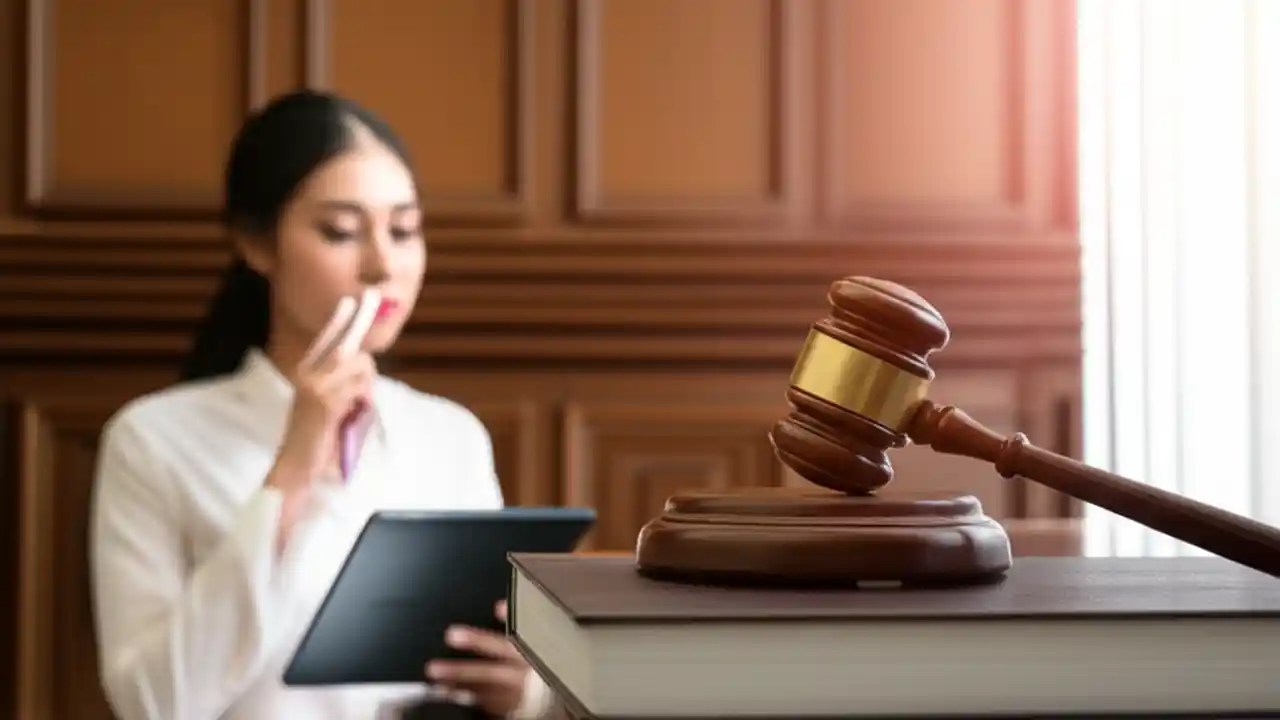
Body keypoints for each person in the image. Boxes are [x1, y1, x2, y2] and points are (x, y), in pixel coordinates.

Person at [88, 90, 551, 720]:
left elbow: (500, 665)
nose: (382, 264)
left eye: (405, 229)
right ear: (256, 244)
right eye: (340, 231)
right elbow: (154, 705)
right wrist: (294, 467)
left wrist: (522, 693)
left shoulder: (451, 437)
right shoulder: (152, 439)